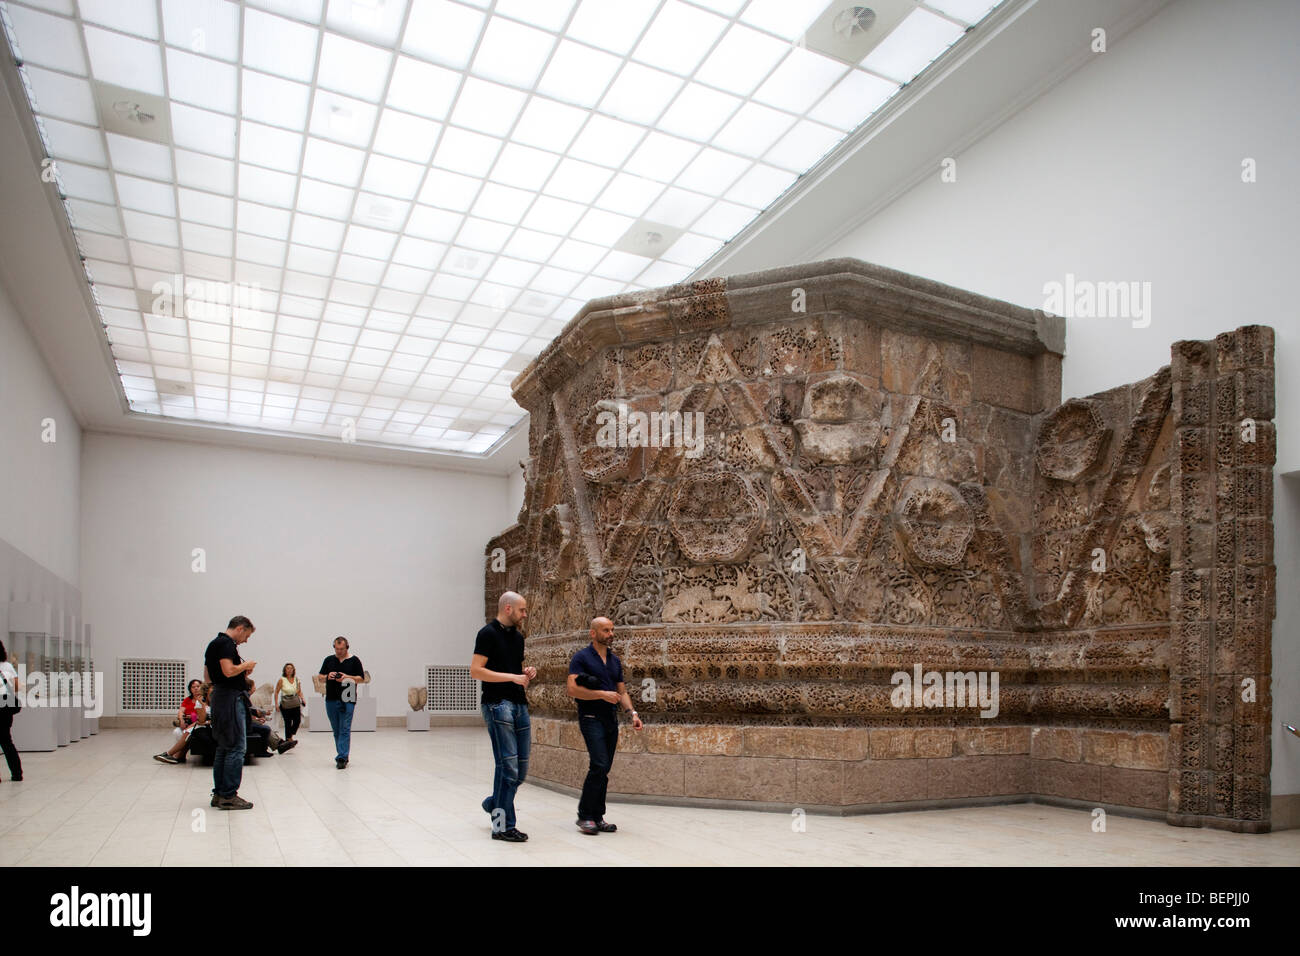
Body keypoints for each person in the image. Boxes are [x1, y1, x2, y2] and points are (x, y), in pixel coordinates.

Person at [567, 617, 642, 835]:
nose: (610, 634)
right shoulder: (581, 658)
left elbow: (622, 691)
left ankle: (598, 816)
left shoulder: (615, 660)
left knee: (604, 769)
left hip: (611, 718)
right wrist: (601, 694)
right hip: (590, 717)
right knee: (599, 764)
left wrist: (632, 713)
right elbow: (571, 689)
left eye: (611, 630)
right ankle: (585, 816)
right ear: (593, 633)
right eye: (605, 630)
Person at [471, 592, 535, 843]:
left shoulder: (518, 638)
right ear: (508, 608)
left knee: (519, 771)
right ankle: (502, 826)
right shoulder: (487, 634)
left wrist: (525, 673)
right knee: (507, 767)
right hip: (497, 705)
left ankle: (494, 803)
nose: (525, 614)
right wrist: (511, 677)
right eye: (521, 610)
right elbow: (476, 671)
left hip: (519, 703)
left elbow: (514, 670)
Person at [204, 615, 257, 810]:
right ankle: (228, 795)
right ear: (241, 628)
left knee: (224, 747)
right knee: (236, 747)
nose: (246, 640)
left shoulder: (213, 644)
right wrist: (245, 665)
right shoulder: (227, 644)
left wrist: (240, 673)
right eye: (247, 636)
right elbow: (227, 671)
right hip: (231, 698)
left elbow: (208, 675)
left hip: (219, 695)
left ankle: (219, 793)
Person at [318, 637, 364, 769]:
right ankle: (342, 753)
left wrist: (347, 677)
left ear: (347, 647)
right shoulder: (328, 660)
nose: (339, 651)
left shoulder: (354, 661)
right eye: (336, 649)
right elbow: (320, 677)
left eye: (341, 649)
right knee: (336, 729)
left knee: (345, 727)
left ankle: (342, 757)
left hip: (348, 697)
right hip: (331, 698)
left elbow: (361, 678)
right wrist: (328, 676)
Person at [153, 679, 207, 764]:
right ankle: (177, 756)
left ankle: (174, 755)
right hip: (187, 723)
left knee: (188, 733)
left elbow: (203, 716)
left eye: (198, 686)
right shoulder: (188, 700)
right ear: (190, 689)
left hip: (196, 723)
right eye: (193, 687)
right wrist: (181, 720)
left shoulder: (204, 700)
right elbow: (181, 711)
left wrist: (193, 720)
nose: (196, 689)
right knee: (178, 732)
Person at [0, 639, 23, 782]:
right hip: (6, 704)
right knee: (6, 741)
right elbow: (16, 686)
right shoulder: (7, 666)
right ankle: (16, 773)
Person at [274, 663, 303, 741]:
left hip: (295, 702)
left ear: (293, 670)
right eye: (288, 668)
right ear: (285, 670)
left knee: (297, 721)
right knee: (288, 722)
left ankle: (291, 733)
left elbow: (299, 691)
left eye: (291, 668)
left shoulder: (296, 679)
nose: (289, 670)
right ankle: (289, 739)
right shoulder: (282, 680)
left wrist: (302, 698)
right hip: (285, 703)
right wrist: (276, 704)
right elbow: (276, 692)